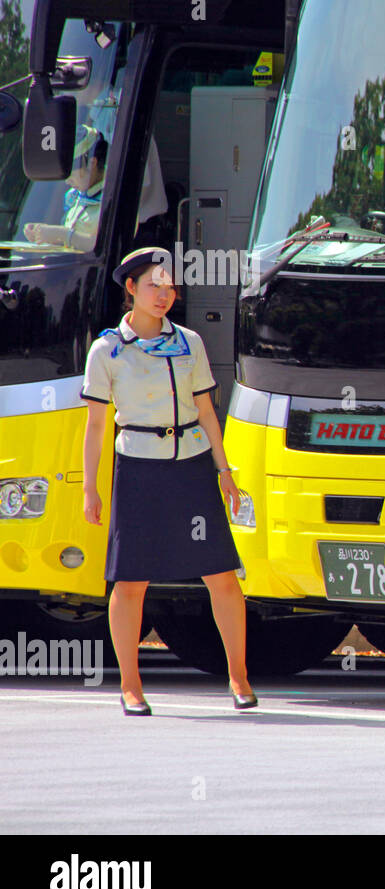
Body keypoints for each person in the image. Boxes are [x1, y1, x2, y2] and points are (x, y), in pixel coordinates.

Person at [80, 247, 256, 716]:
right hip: (138, 468)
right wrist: (89, 487)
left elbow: (206, 412)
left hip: (192, 464)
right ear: (131, 289)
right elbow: (97, 424)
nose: (165, 295)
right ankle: (131, 687)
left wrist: (225, 470)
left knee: (221, 574)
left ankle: (238, 678)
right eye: (155, 285)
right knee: (130, 580)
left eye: (171, 286)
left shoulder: (190, 342)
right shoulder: (108, 349)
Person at [25, 125, 107, 251]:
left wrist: (62, 234)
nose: (67, 181)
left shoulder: (114, 197)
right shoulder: (75, 196)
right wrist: (43, 234)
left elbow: (105, 246)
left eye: (70, 172)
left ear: (92, 163)